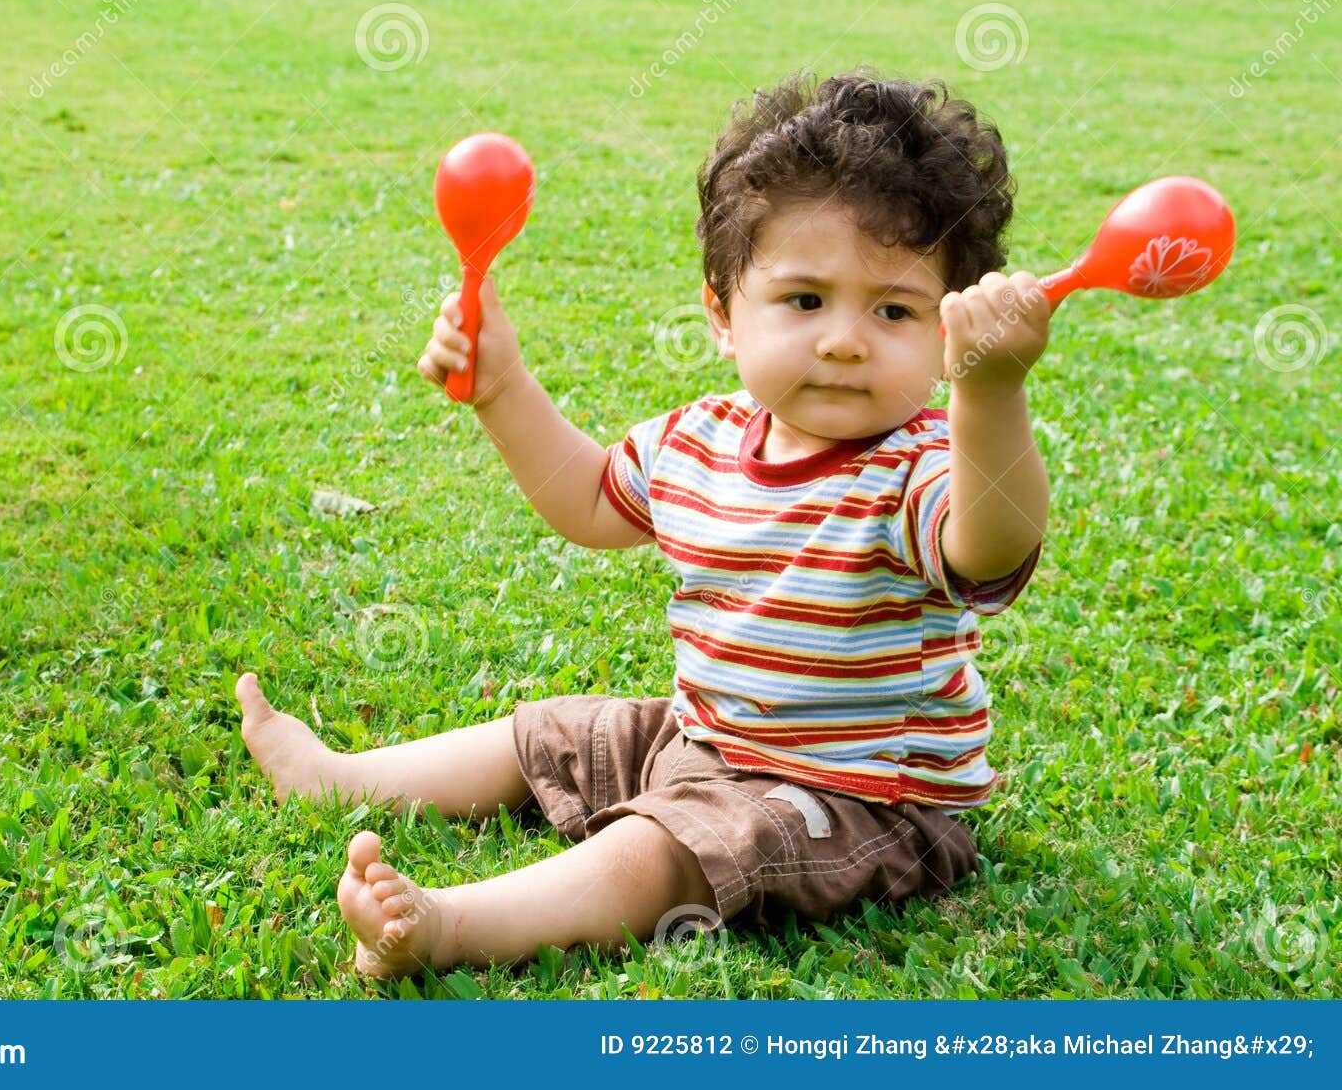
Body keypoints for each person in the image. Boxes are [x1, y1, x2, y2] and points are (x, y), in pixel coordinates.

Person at [235, 67, 1051, 978]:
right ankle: (343, 779)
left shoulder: (922, 466)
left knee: (662, 845)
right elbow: (589, 499)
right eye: (805, 299)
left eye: (893, 309)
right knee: (558, 731)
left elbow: (992, 541)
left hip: (865, 804)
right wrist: (502, 389)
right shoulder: (700, 439)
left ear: (947, 334)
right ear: (723, 313)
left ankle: (451, 926)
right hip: (708, 740)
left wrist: (991, 393)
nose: (843, 339)